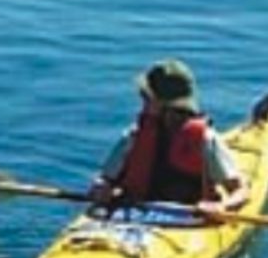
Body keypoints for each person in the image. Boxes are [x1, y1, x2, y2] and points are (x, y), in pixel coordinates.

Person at [87, 59, 248, 217]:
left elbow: (240, 191)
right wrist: (101, 187)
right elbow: (106, 178)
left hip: (190, 218)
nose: (142, 103)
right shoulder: (134, 135)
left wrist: (222, 206)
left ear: (168, 105)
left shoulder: (205, 140)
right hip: (135, 213)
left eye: (146, 98)